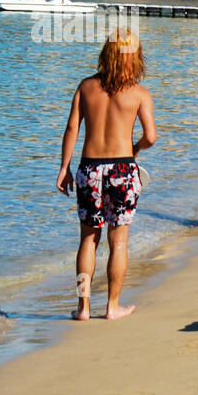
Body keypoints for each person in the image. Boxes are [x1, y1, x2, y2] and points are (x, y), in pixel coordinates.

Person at [56, 30, 156, 321]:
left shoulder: (86, 87)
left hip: (88, 169)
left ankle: (83, 308)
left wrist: (64, 167)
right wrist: (135, 149)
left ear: (106, 54)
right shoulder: (139, 93)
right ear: (135, 57)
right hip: (123, 169)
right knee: (119, 242)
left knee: (88, 240)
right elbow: (151, 136)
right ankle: (112, 307)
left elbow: (72, 129)